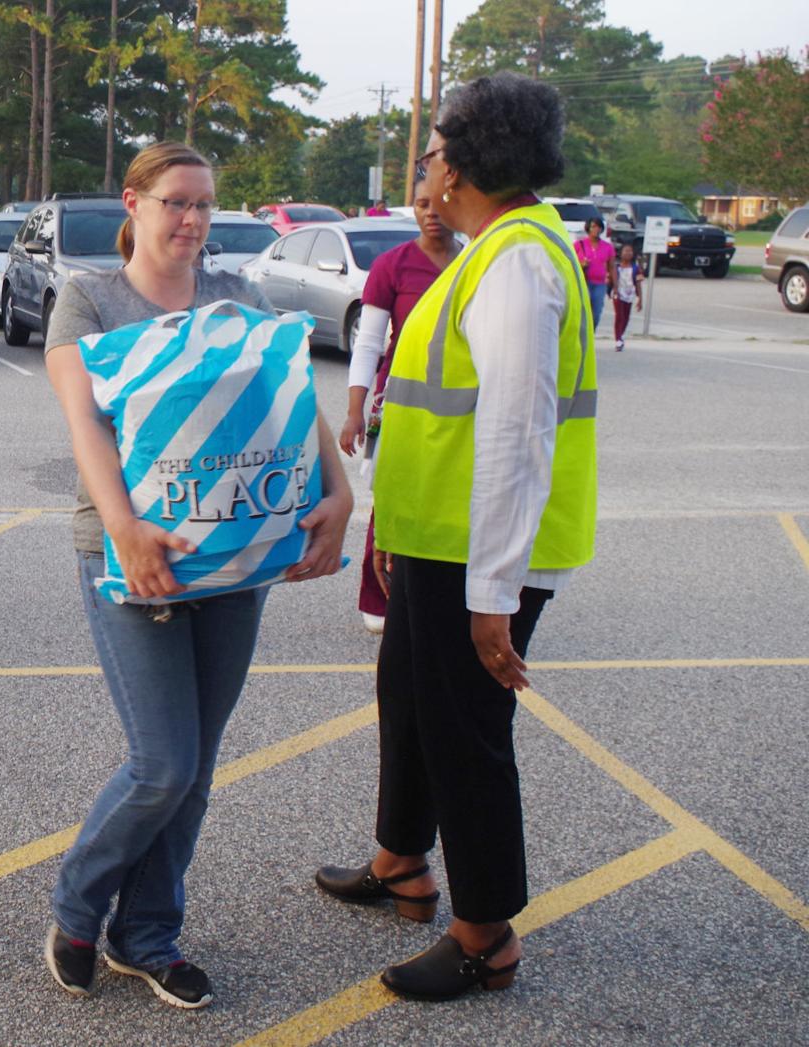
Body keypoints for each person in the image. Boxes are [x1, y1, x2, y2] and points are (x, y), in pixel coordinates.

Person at [43, 141, 352, 1010]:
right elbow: (84, 421)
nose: (192, 220)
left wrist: (340, 489)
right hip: (129, 555)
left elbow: (290, 401)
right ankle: (76, 907)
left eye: (205, 205)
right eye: (176, 201)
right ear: (132, 204)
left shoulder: (237, 295)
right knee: (162, 762)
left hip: (236, 556)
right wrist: (125, 530)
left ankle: (148, 934)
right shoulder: (89, 298)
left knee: (198, 764)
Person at [316, 72, 597, 1001]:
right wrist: (396, 529)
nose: (425, 164)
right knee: (410, 699)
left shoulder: (515, 262)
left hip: (481, 556)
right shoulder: (490, 249)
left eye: (434, 148)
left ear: (468, 162)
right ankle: (401, 861)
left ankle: (485, 935)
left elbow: (516, 433)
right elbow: (446, 417)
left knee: (466, 735)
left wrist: (494, 598)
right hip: (439, 538)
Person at [339, 182, 460, 633]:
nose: (431, 213)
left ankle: (439, 595)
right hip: (400, 405)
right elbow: (368, 344)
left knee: (447, 500)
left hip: (460, 406)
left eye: (439, 203)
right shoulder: (393, 266)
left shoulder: (475, 261)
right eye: (422, 204)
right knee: (391, 498)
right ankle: (379, 596)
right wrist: (356, 411)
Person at [573, 216, 615, 331]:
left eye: (598, 227)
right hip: (583, 282)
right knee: (583, 311)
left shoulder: (608, 247)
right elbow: (570, 263)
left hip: (600, 284)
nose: (596, 229)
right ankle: (581, 335)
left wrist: (615, 285)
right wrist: (582, 264)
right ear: (588, 228)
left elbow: (612, 267)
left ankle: (591, 334)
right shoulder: (579, 244)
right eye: (593, 227)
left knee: (596, 312)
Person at [610, 242, 644, 351]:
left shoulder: (636, 268)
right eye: (626, 251)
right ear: (621, 253)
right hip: (618, 294)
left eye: (630, 251)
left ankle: (621, 335)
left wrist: (640, 299)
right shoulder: (616, 267)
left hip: (629, 295)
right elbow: (613, 279)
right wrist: (615, 289)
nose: (628, 253)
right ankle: (618, 339)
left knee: (626, 317)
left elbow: (638, 283)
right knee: (619, 316)